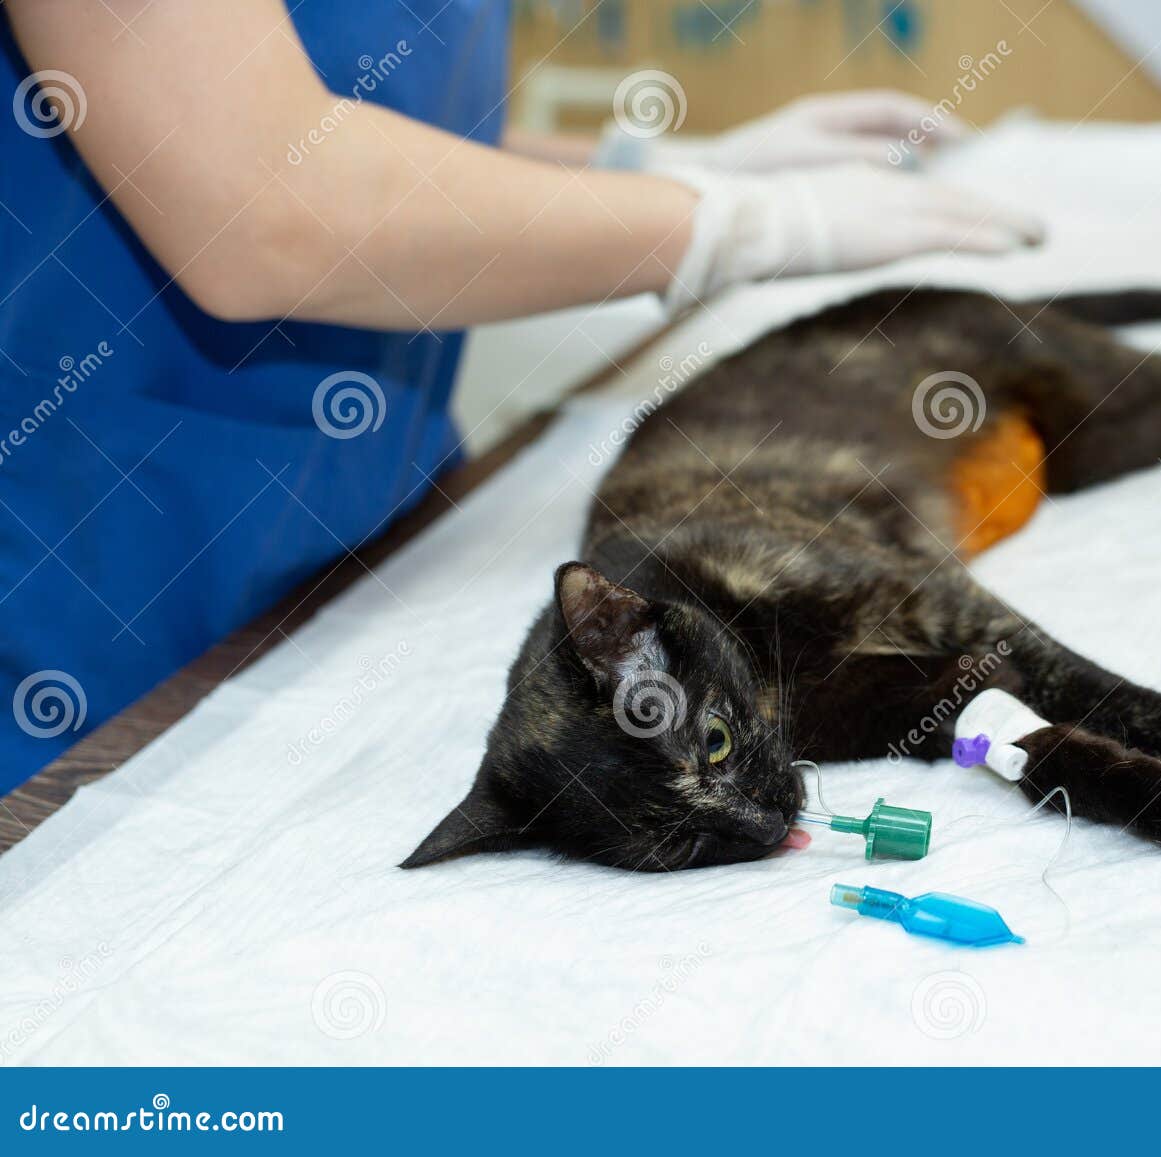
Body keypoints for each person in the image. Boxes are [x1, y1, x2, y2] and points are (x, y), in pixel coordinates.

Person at [0, 0, 1044, 792]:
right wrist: (733, 223)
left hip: (378, 519)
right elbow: (265, 211)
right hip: (103, 608)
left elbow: (363, 121)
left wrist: (658, 164)